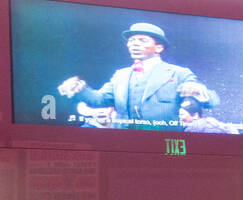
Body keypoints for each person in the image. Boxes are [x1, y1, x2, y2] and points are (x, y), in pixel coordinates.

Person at [58, 22, 219, 130]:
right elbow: (99, 99)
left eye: (142, 40)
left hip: (164, 147)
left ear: (158, 48)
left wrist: (198, 90)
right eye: (132, 40)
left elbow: (213, 101)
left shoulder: (178, 73)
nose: (134, 43)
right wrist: (80, 89)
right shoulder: (120, 75)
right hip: (123, 145)